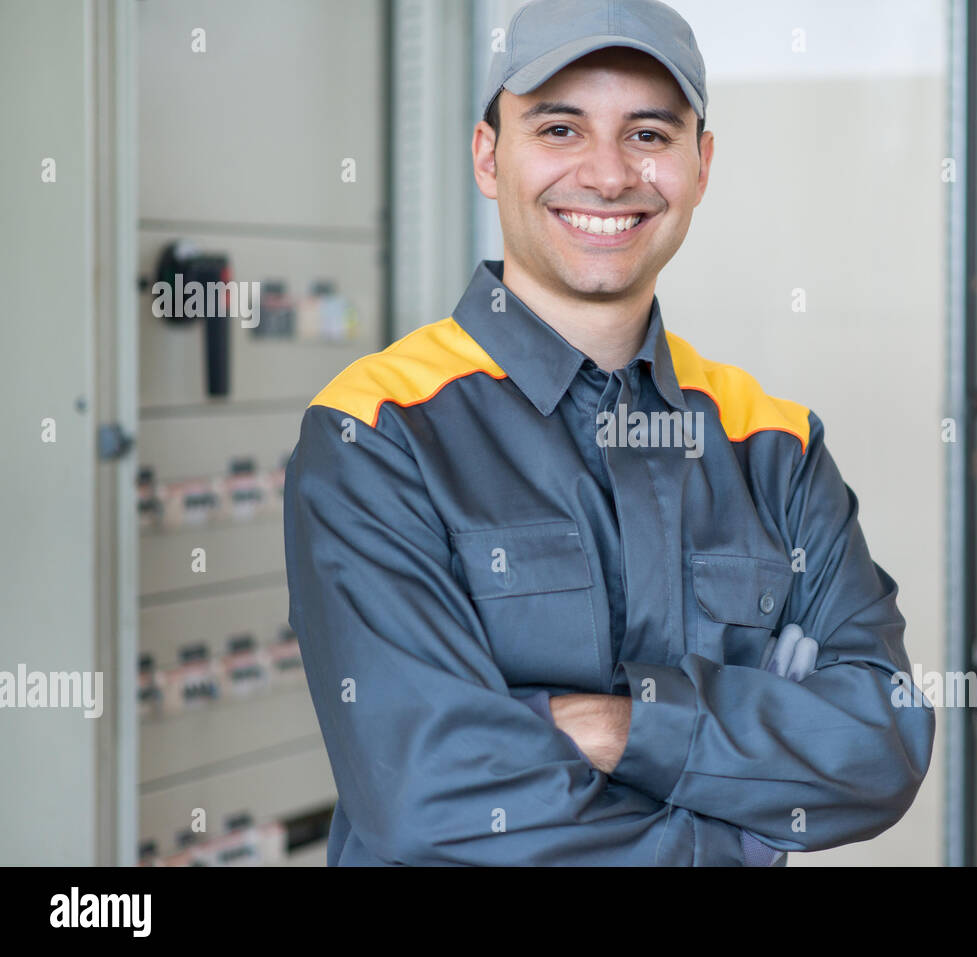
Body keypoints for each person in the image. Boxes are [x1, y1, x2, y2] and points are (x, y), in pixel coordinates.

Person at [283, 0, 935, 866]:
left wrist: (606, 726)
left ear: (700, 165)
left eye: (649, 135)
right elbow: (431, 794)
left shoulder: (774, 445)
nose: (607, 175)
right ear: (489, 156)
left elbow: (881, 743)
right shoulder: (376, 433)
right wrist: (735, 824)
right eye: (559, 128)